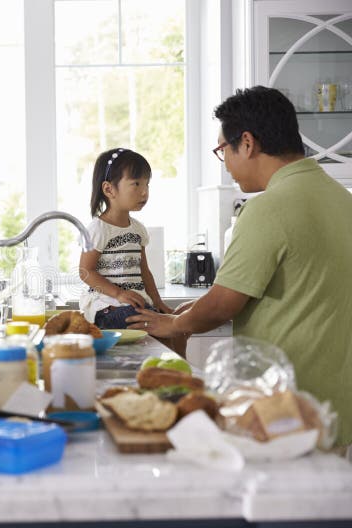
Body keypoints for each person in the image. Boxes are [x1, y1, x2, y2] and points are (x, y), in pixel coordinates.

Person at [127, 86, 352, 448]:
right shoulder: (342, 199)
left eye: (222, 151)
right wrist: (192, 311)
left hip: (283, 410)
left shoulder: (268, 208)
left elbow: (223, 303)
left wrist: (174, 323)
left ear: (246, 143)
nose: (226, 165)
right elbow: (299, 295)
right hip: (337, 409)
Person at [78, 148, 174, 330]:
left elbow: (144, 272)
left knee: (172, 324)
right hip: (106, 307)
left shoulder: (138, 229)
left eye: (147, 185)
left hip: (134, 305)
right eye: (136, 184)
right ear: (108, 189)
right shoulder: (98, 229)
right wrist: (119, 294)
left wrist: (158, 302)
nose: (144, 192)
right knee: (152, 323)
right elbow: (85, 271)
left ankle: (175, 360)